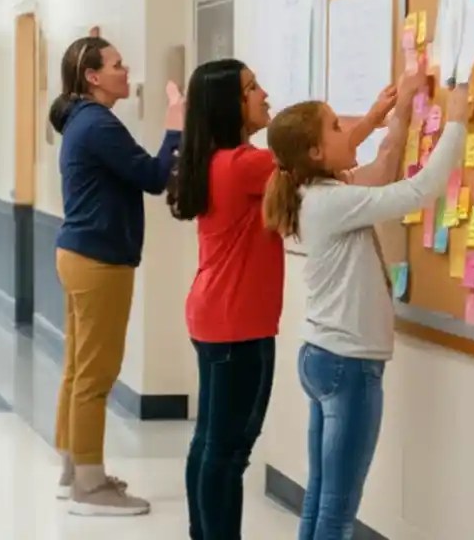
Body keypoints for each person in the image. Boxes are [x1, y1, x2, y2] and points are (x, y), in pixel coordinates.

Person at [169, 59, 409, 540]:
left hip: (214, 314)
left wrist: (370, 119)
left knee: (210, 443)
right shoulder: (248, 165)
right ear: (228, 106)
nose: (263, 95)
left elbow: (314, 158)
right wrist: (386, 122)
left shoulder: (215, 159)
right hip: (237, 322)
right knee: (228, 451)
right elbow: (315, 165)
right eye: (250, 89)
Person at [263, 72, 466, 540]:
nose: (348, 128)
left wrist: (400, 114)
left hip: (324, 355)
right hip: (347, 365)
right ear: (315, 153)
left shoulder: (318, 193)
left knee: (320, 498)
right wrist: (455, 122)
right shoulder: (329, 202)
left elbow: (384, 167)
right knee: (337, 510)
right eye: (336, 126)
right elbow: (416, 191)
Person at [48, 35, 184, 516]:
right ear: (92, 76)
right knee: (96, 373)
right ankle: (90, 485)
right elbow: (151, 177)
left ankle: (73, 469)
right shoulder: (98, 124)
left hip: (81, 252)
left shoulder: (84, 122)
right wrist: (175, 128)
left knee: (78, 365)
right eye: (118, 65)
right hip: (99, 260)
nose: (127, 72)